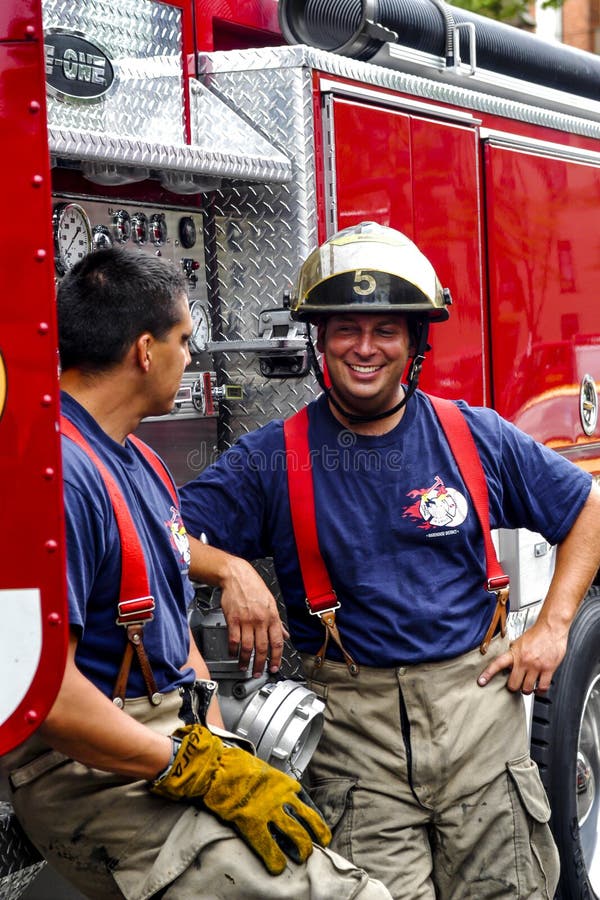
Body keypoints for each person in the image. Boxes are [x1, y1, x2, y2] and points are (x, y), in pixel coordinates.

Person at [180, 222, 600, 900]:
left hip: (481, 734)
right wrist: (228, 569)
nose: (365, 348)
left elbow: (588, 509)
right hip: (356, 753)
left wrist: (553, 626)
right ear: (319, 341)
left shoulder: (474, 435)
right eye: (346, 328)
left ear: (415, 341)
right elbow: (154, 533)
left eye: (386, 330)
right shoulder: (273, 457)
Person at [1, 248, 391, 900]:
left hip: (175, 737)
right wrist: (202, 767)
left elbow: (167, 607)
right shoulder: (55, 478)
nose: (191, 357)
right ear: (145, 351)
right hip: (93, 771)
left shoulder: (140, 464)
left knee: (311, 837)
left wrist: (217, 738)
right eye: (185, 340)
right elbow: (47, 700)